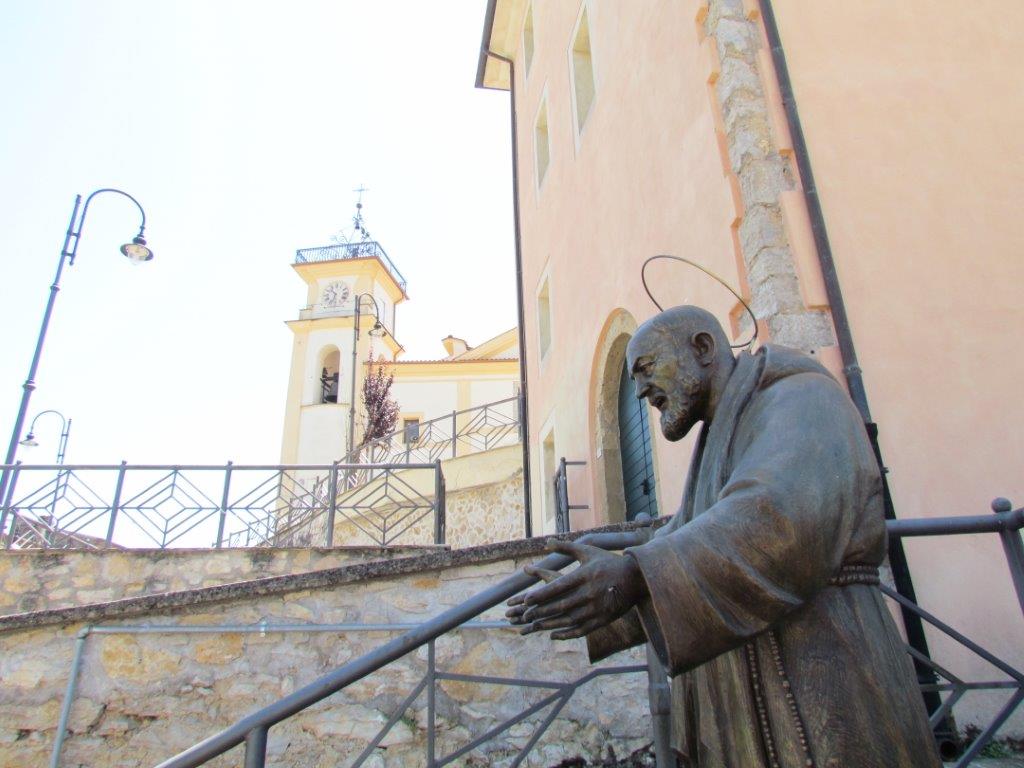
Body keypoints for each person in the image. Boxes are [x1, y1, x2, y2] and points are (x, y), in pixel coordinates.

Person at [507, 306, 940, 768]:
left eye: (647, 368)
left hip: (826, 674)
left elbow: (780, 519)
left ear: (703, 348)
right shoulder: (716, 438)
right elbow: (684, 535)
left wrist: (635, 574)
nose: (639, 391)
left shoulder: (802, 397)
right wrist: (610, 590)